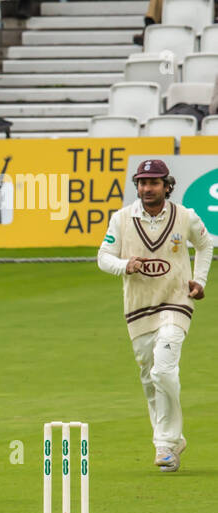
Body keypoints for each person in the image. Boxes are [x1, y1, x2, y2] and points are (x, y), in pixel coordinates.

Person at [97, 160, 213, 473]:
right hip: (138, 307)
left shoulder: (185, 216)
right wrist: (125, 265)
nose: (148, 188)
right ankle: (172, 441)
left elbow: (205, 245)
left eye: (154, 182)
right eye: (143, 182)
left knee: (164, 371)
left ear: (166, 185)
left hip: (176, 302)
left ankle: (164, 443)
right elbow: (103, 257)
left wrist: (199, 281)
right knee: (150, 380)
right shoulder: (121, 219)